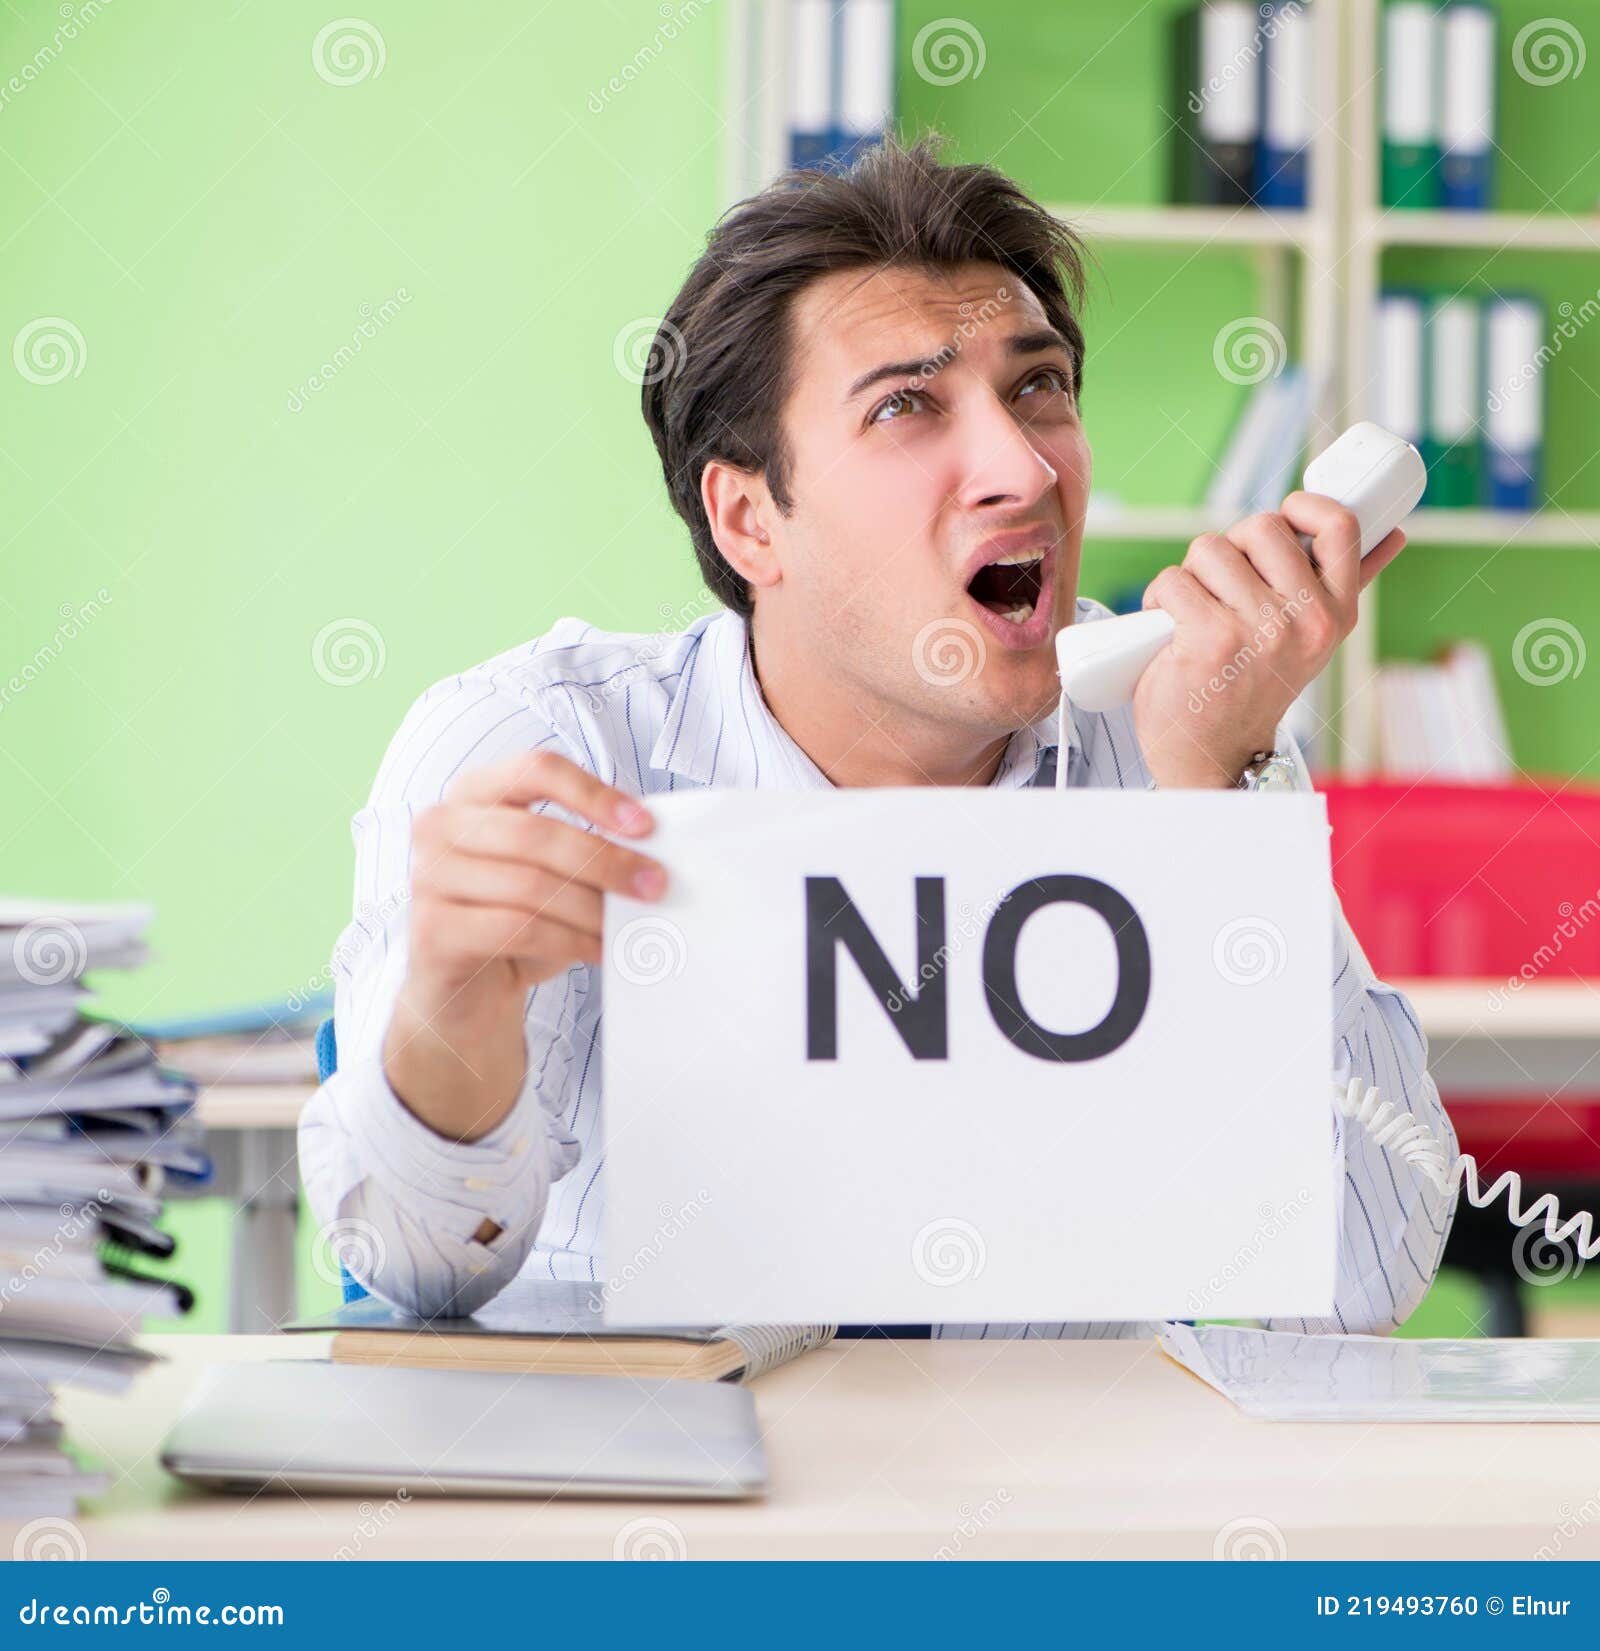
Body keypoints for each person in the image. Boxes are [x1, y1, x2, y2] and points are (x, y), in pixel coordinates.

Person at [299, 137, 1458, 1333]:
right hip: (654, 1451)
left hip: (1050, 1455)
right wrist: (447, 1018)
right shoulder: (546, 752)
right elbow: (417, 1274)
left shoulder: (1177, 736)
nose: (1023, 467)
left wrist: (1221, 803)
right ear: (750, 520)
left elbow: (1355, 1290)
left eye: (1038, 388)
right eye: (906, 405)